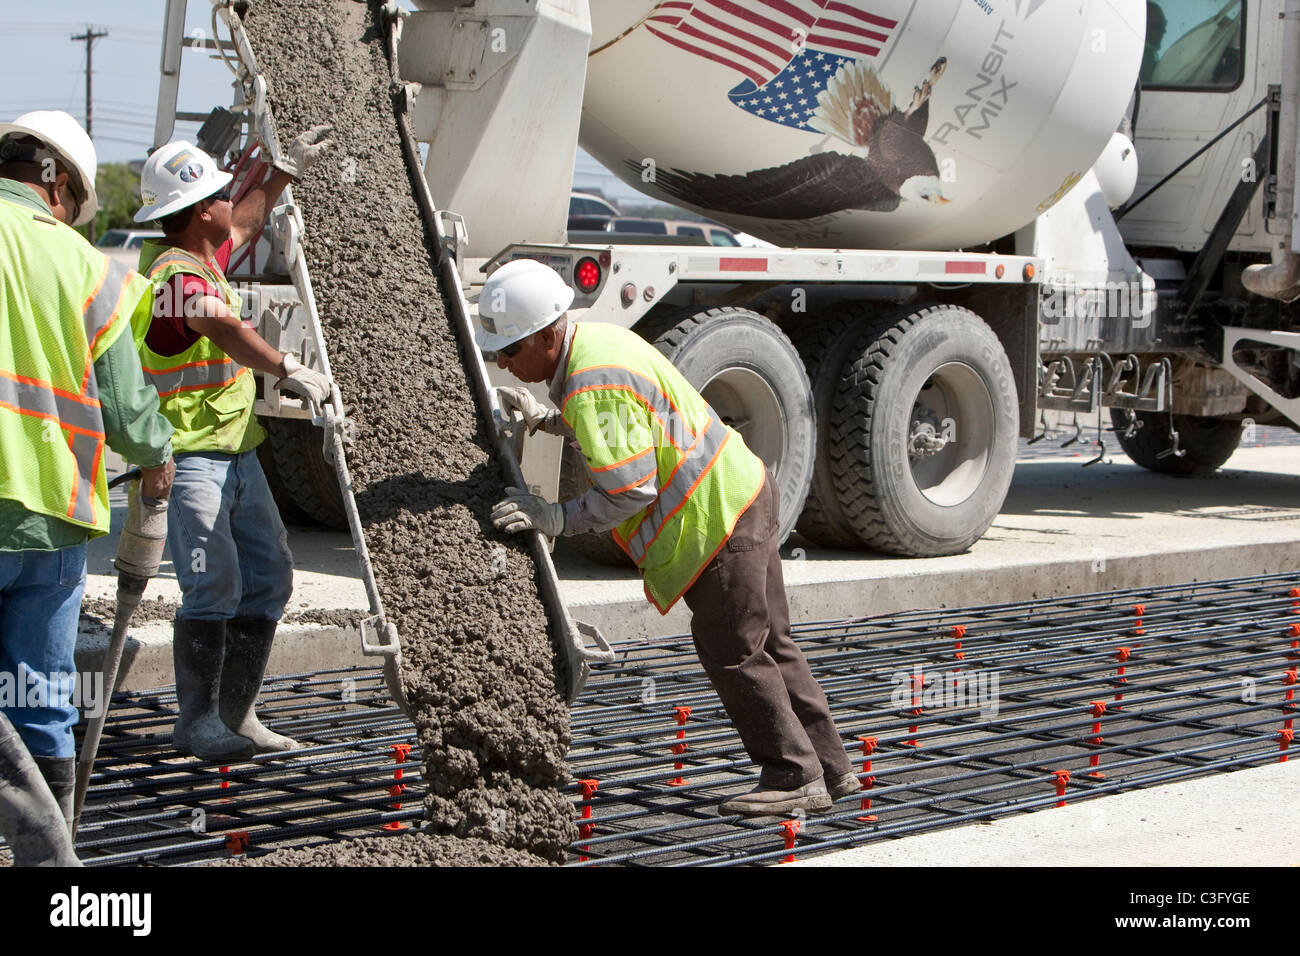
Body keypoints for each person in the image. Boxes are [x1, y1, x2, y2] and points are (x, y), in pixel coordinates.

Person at [481, 259, 857, 815]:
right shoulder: (598, 344)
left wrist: (554, 517)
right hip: (740, 490)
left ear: (546, 333)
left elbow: (631, 489)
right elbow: (637, 423)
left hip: (714, 520)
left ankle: (793, 775)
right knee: (771, 641)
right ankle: (832, 767)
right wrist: (551, 419)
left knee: (734, 650)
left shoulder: (590, 383)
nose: (503, 364)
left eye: (509, 351)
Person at [0, 110, 175, 863]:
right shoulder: (84, 265)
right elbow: (130, 407)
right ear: (60, 184)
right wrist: (159, 456)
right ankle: (51, 865)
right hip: (55, 517)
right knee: (38, 698)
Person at [132, 132, 332, 761]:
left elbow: (244, 223)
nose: (227, 200)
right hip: (191, 459)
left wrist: (282, 172)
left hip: (238, 453)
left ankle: (236, 716)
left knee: (268, 579)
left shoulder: (203, 256)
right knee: (212, 586)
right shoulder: (171, 277)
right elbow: (218, 322)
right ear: (197, 212)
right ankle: (197, 725)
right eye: (217, 194)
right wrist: (285, 366)